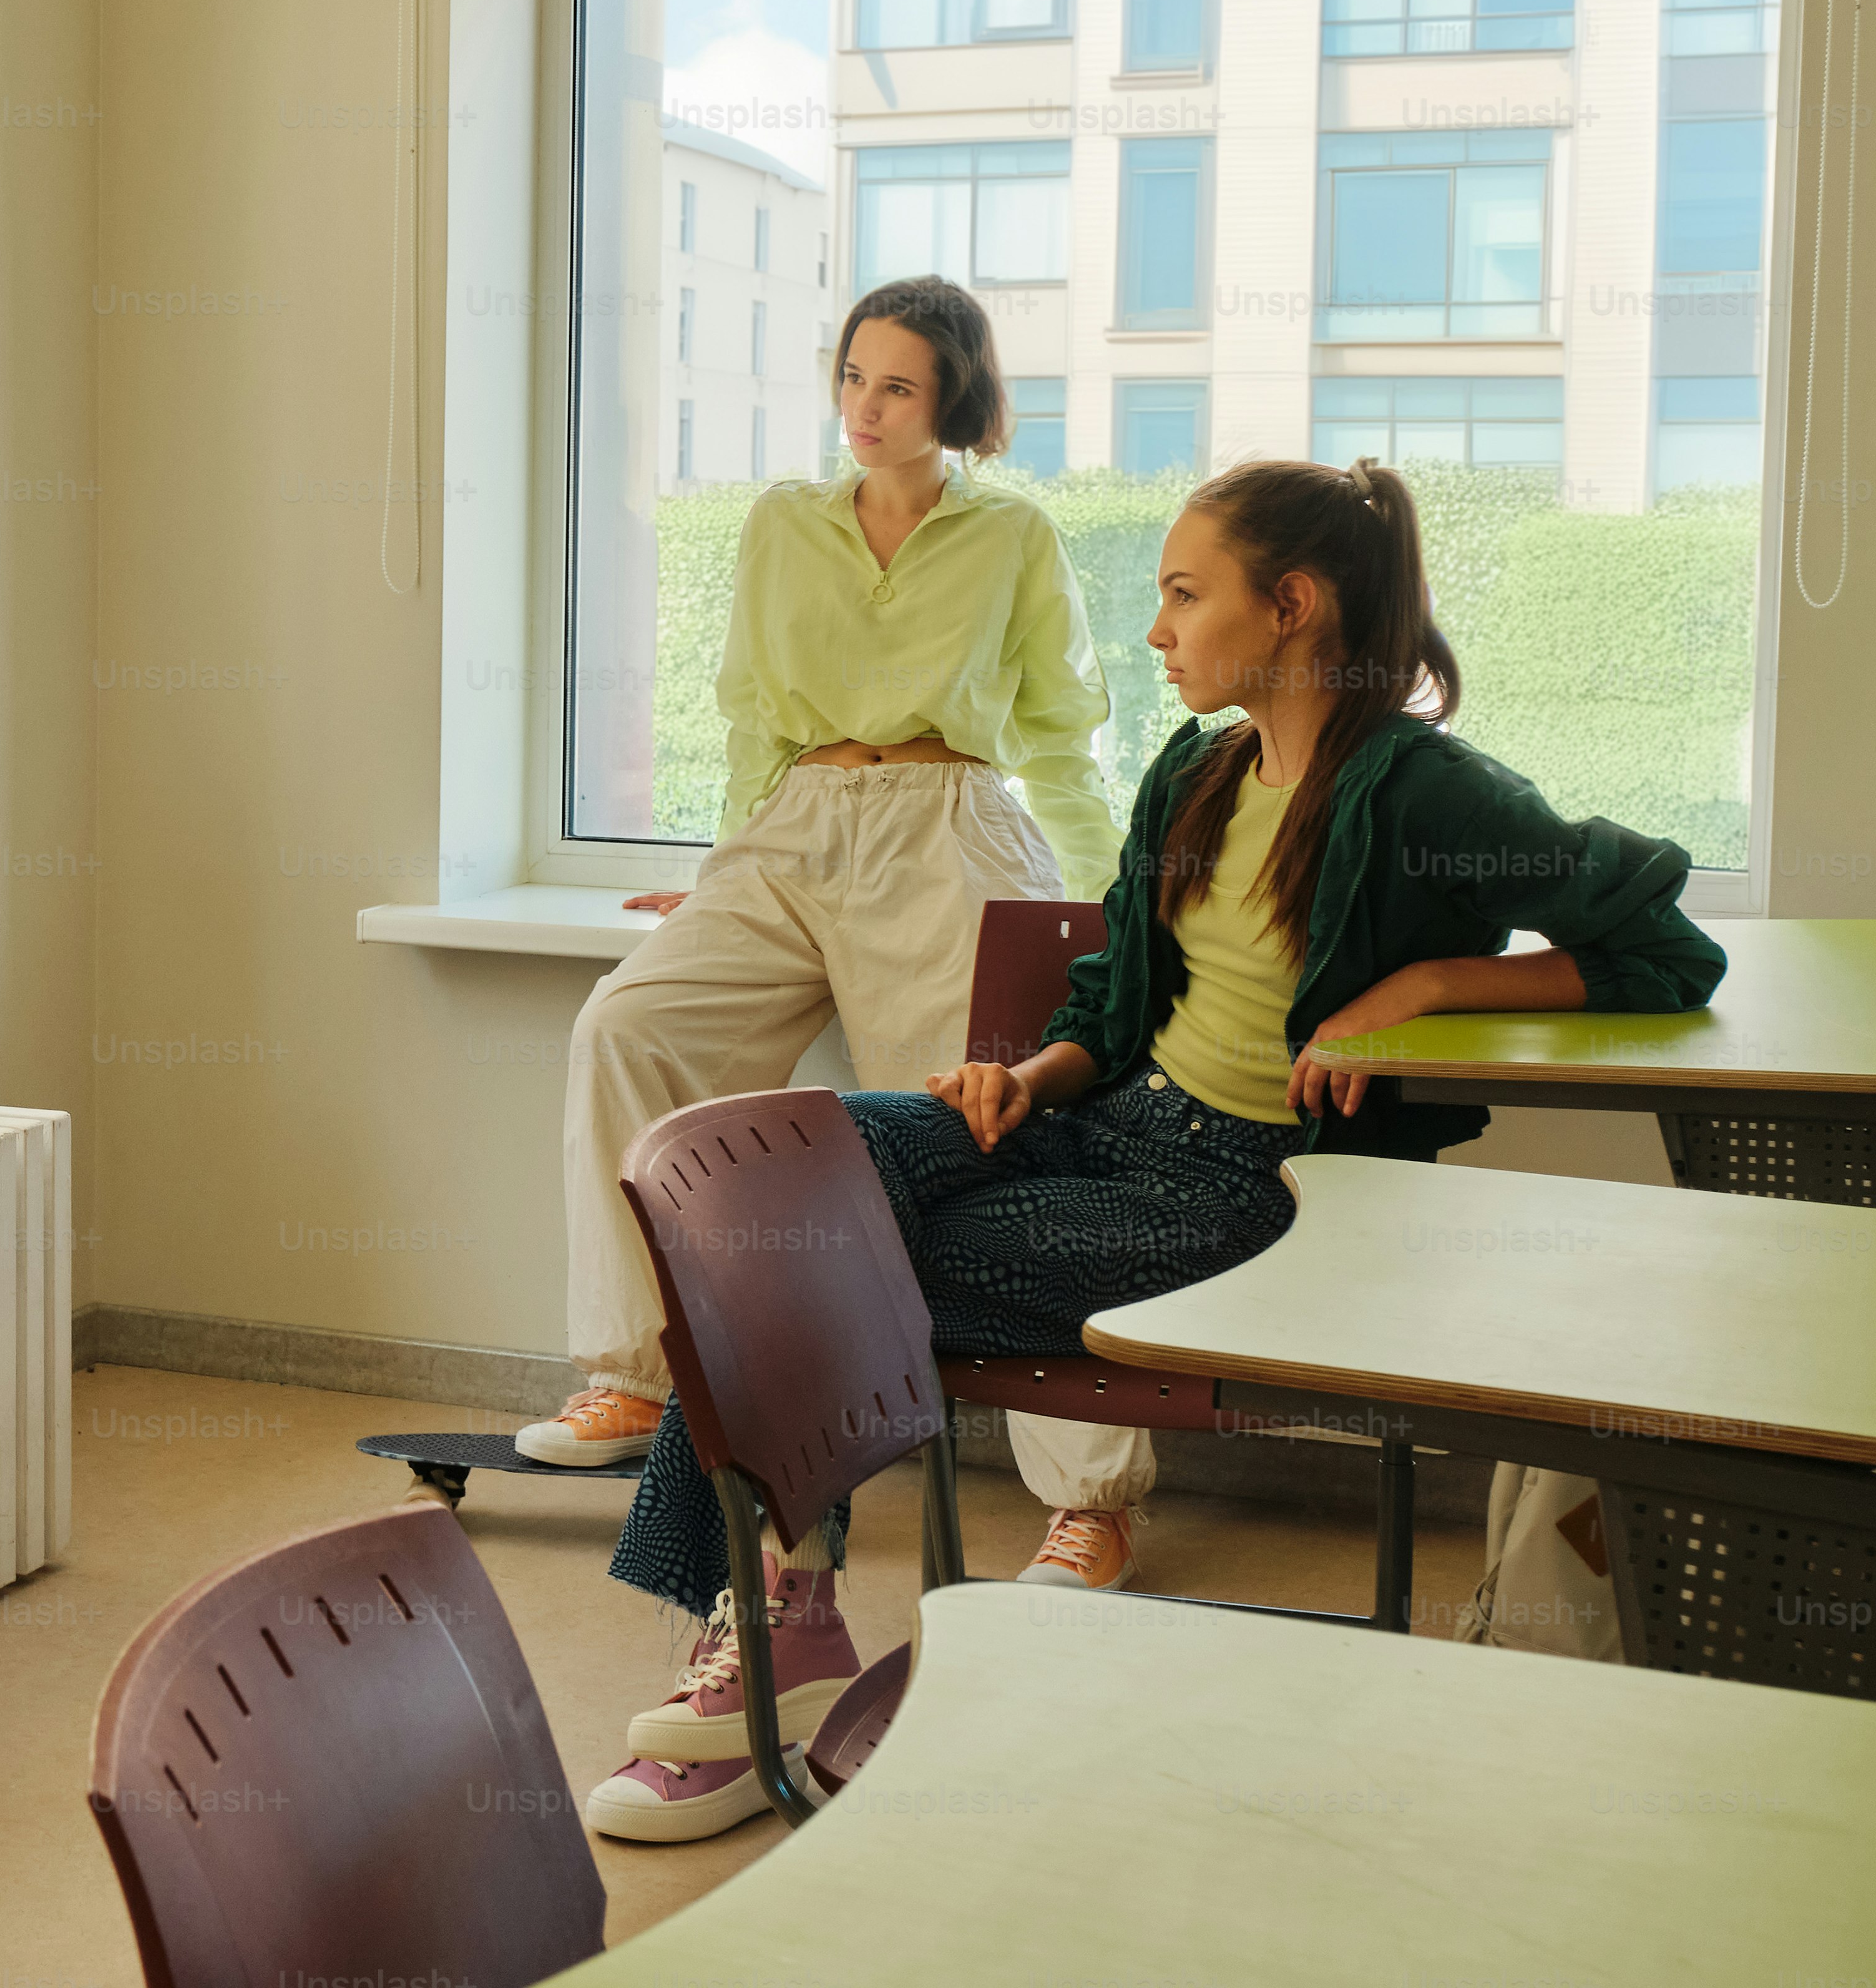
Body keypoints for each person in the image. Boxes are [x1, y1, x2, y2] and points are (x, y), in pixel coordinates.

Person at [584, 455, 1726, 1843]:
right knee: (791, 1181)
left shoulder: (1428, 795)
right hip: (1103, 1126)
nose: (1157, 628)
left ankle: (771, 1630)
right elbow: (1119, 996)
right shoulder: (1198, 770)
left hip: (1258, 1194)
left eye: (1186, 594)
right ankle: (785, 1605)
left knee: (819, 1280)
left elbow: (1669, 950)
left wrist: (1428, 985)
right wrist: (1025, 1078)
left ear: (1293, 605)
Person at [531, 277, 1142, 1585]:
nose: (864, 407)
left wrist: (1105, 900)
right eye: (853, 376)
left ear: (955, 400)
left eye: (900, 385)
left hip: (950, 823)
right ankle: (641, 1372)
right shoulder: (781, 523)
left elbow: (1057, 737)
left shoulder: (1013, 536)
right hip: (797, 819)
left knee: (995, 1122)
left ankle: (1091, 1496)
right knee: (627, 1025)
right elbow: (754, 712)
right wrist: (724, 869)